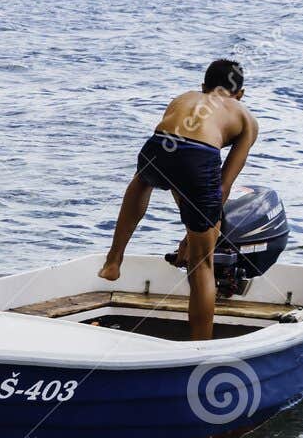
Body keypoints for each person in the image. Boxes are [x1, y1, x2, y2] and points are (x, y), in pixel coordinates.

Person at [98, 59, 259, 340]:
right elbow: (222, 186)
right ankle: (200, 346)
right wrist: (197, 236)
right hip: (198, 157)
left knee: (142, 181)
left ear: (203, 87)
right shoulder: (245, 118)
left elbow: (175, 170)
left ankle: (114, 259)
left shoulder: (184, 98)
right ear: (240, 94)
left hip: (159, 145)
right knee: (202, 265)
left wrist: (191, 230)